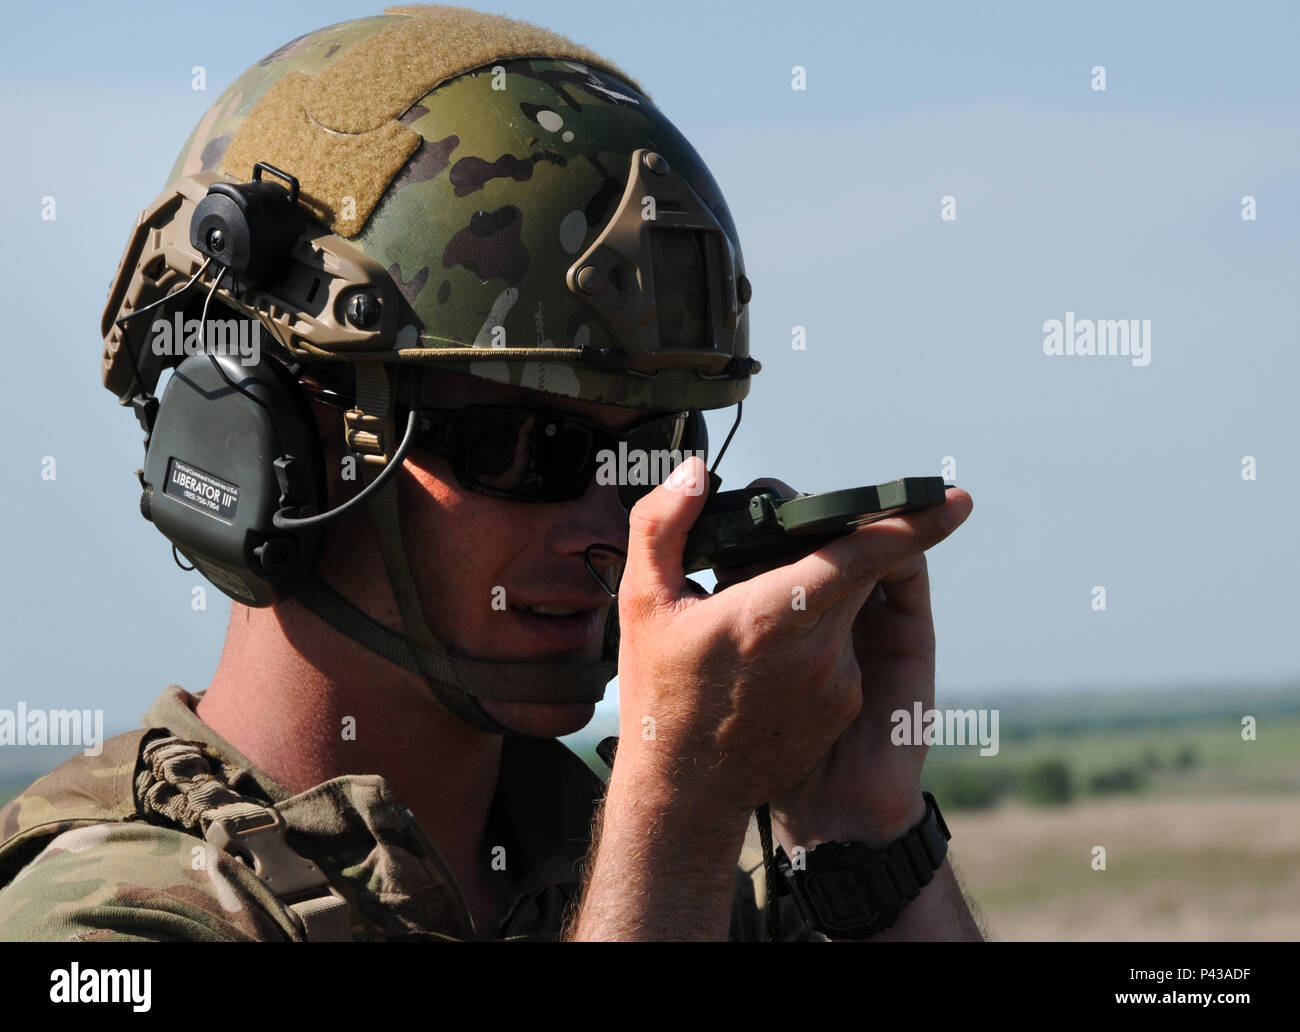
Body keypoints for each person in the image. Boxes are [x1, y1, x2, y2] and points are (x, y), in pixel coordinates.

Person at [0, 4, 983, 942]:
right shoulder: (105, 915)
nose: (613, 528)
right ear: (268, 446)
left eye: (654, 454)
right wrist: (678, 810)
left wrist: (864, 838)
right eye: (526, 448)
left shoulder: (634, 865)